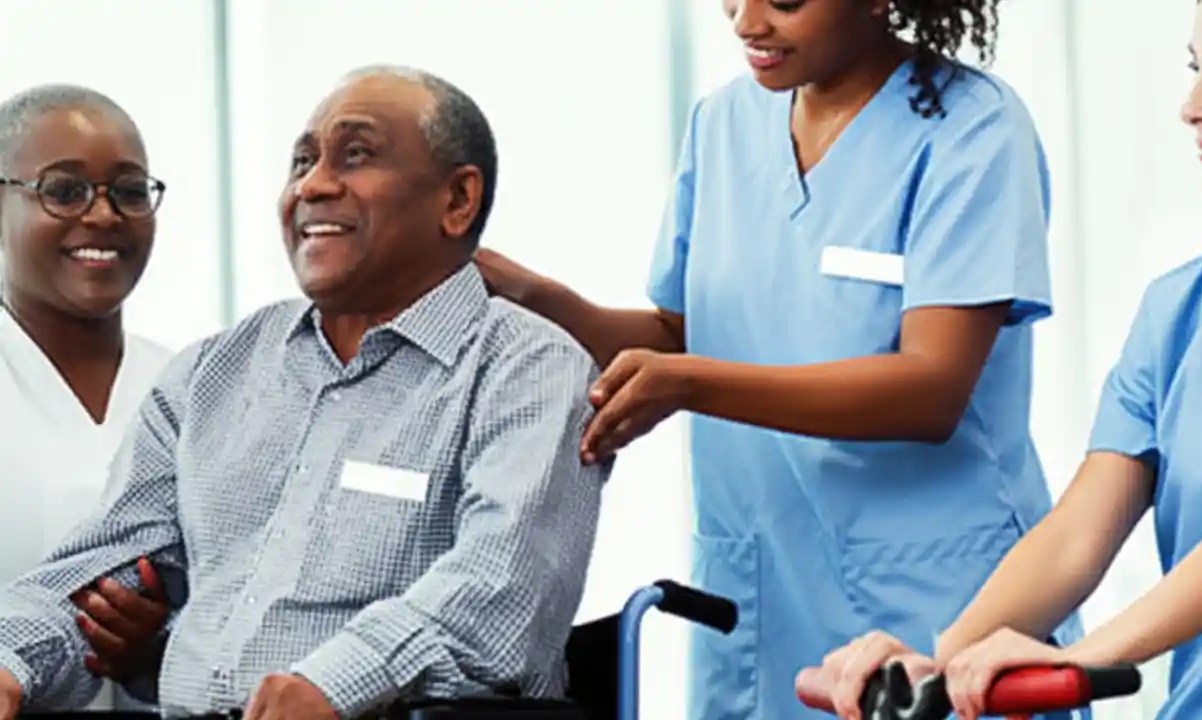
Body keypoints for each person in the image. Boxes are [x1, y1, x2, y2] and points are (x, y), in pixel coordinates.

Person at [475, 0, 1080, 718]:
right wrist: (535, 296)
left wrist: (691, 384)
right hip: (758, 608)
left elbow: (931, 388)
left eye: (784, 0)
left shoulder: (972, 131)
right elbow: (688, 335)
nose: (746, 22)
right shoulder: (722, 124)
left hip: (933, 603)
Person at [0, 65, 608, 720]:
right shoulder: (215, 371)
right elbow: (100, 572)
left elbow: (503, 594)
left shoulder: (529, 370)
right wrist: (11, 662)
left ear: (457, 200)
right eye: (301, 161)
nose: (312, 185)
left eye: (356, 155)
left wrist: (332, 685)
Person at [800, 0, 1202, 717]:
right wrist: (942, 660)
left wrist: (1086, 656)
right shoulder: (1184, 308)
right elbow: (1079, 533)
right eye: (1195, 70)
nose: (1192, 106)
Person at [0, 84, 173, 703]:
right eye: (63, 190)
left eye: (129, 191)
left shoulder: (193, 387)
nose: (102, 216)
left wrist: (154, 646)